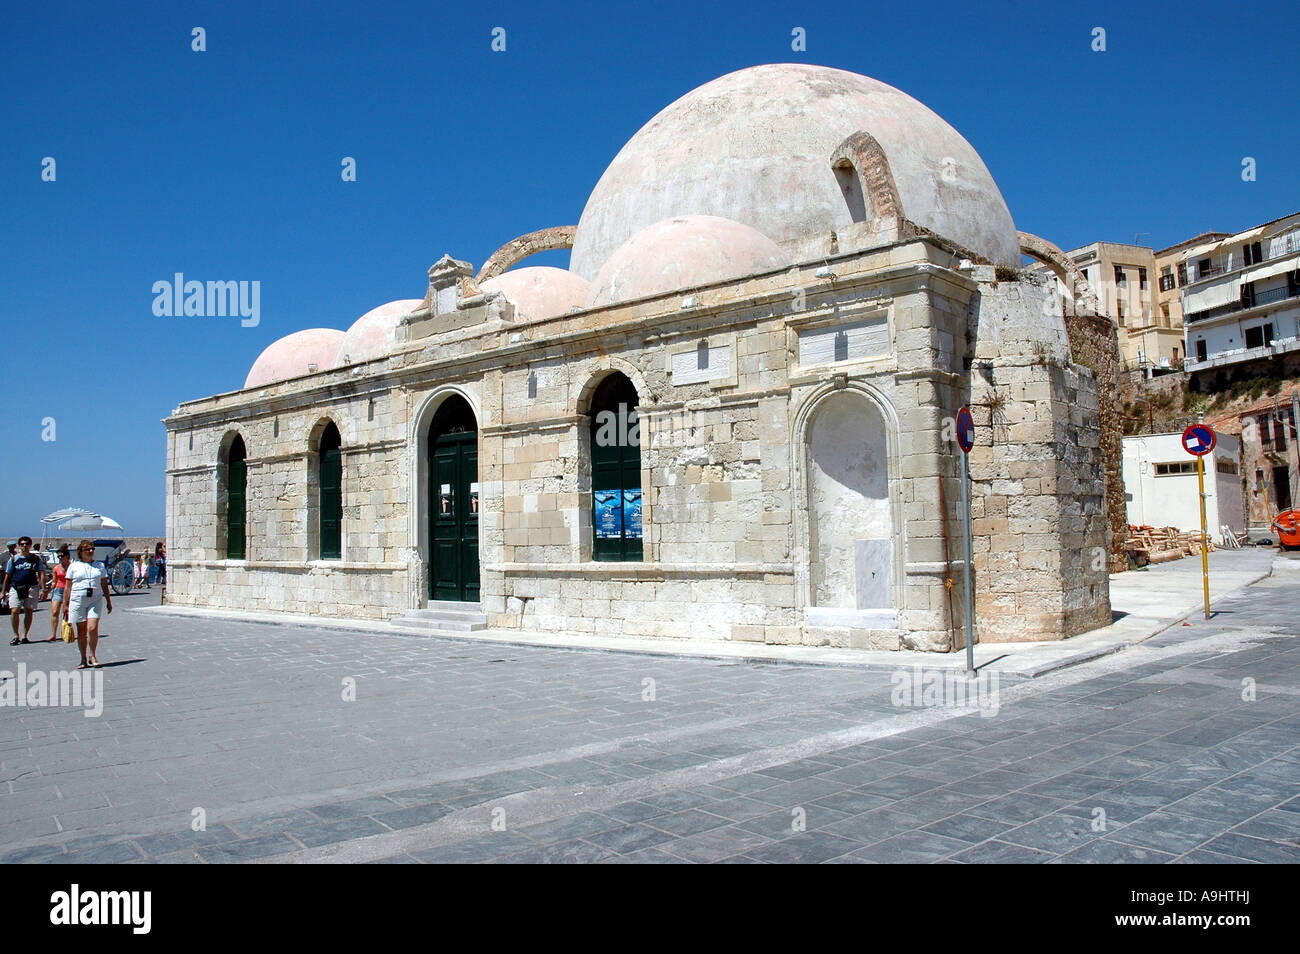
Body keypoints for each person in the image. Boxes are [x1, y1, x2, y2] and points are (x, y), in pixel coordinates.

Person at [63, 539, 111, 669]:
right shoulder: (73, 566)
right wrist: (65, 604)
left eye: (92, 549)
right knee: (82, 630)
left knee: (92, 628)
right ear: (81, 552)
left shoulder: (99, 566)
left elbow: (104, 584)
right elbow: (68, 587)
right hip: (78, 599)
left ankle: (93, 655)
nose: (90, 551)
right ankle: (83, 658)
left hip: (95, 599)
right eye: (87, 549)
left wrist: (108, 601)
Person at [4, 536, 48, 645]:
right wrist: (2, 591)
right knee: (15, 610)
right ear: (19, 546)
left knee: (29, 610)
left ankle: (24, 635)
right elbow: (7, 575)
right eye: (22, 544)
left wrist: (43, 589)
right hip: (16, 586)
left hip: (31, 587)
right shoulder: (14, 559)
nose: (25, 546)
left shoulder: (35, 559)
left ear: (30, 545)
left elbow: (41, 573)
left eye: (27, 544)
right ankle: (16, 635)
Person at [44, 545, 71, 642]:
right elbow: (54, 582)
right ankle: (53, 634)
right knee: (55, 612)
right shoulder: (56, 568)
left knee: (66, 612)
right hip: (58, 590)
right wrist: (47, 591)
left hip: (68, 591)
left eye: (62, 555)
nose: (60, 557)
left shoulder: (72, 567)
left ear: (67, 556)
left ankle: (66, 631)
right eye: (58, 556)